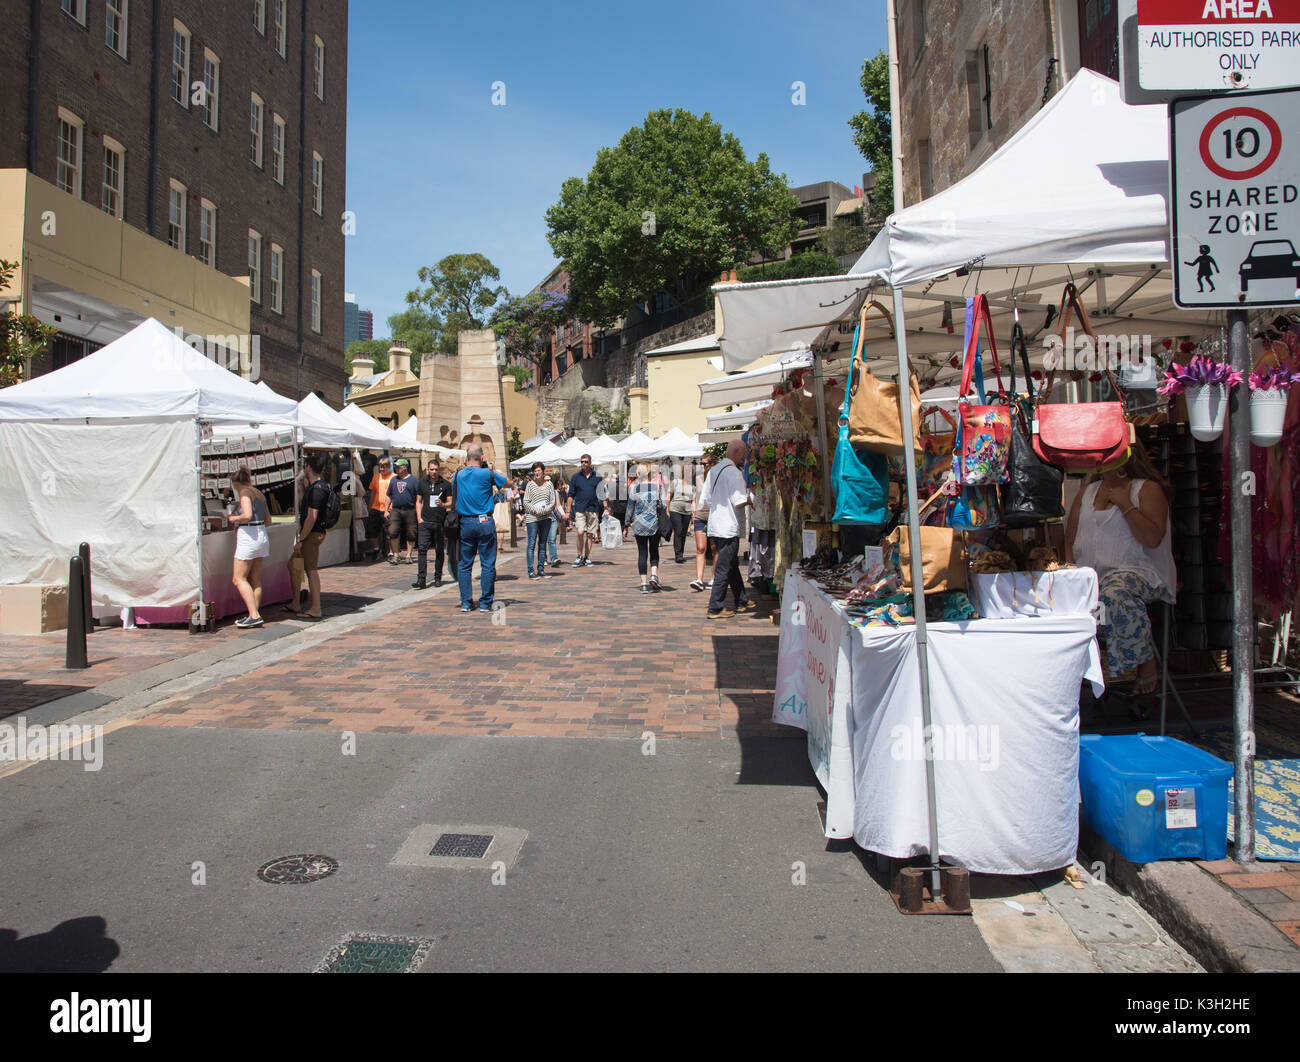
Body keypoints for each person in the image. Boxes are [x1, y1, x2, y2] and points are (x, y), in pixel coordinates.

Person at [1065, 442, 1176, 695]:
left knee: (1114, 595)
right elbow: (1069, 539)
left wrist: (1126, 505)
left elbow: (1152, 538)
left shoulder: (1147, 490)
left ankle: (1145, 662)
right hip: (1090, 575)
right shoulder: (1088, 492)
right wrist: (1070, 574)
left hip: (1137, 572)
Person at [698, 440, 752, 619]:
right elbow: (739, 501)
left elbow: (705, 499)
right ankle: (715, 607)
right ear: (736, 452)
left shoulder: (713, 471)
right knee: (723, 566)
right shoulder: (734, 473)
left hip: (715, 524)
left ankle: (741, 599)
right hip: (727, 525)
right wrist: (751, 498)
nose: (745, 457)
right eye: (743, 453)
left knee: (731, 564)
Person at [453, 444, 507, 612]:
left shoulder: (457, 475)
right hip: (484, 522)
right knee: (487, 563)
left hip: (465, 522)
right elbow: (509, 484)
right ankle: (485, 602)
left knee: (464, 564)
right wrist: (493, 471)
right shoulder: (487, 473)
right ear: (481, 458)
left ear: (467, 457)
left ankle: (466, 602)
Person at [289, 453, 331, 619]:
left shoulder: (317, 489)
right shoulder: (317, 487)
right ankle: (296, 601)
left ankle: (316, 608)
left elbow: (311, 517)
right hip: (312, 534)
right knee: (294, 564)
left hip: (312, 535)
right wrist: (299, 484)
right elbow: (302, 503)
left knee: (311, 570)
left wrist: (301, 539)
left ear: (308, 467)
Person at [228, 466, 270, 628]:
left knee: (238, 579)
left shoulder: (245, 493)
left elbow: (247, 515)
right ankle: (255, 613)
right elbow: (268, 520)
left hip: (249, 536)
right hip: (261, 535)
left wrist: (233, 518)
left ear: (236, 483)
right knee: (255, 579)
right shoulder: (259, 493)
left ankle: (254, 614)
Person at [412, 457, 453, 589]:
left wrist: (443, 504)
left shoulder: (445, 484)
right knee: (422, 550)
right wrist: (419, 518)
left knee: (439, 551)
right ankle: (421, 579)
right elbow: (418, 501)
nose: (434, 472)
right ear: (428, 470)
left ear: (438, 470)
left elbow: (451, 502)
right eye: (431, 469)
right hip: (425, 521)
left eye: (436, 469)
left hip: (439, 522)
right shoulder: (422, 483)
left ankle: (437, 577)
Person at [624, 462, 664, 594]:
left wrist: (626, 524)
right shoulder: (657, 487)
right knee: (654, 550)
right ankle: (653, 574)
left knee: (642, 552)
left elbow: (630, 508)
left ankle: (643, 583)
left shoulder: (634, 488)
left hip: (639, 523)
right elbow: (663, 505)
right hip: (654, 522)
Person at [567, 454, 608, 567]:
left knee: (590, 534)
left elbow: (602, 493)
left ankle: (586, 557)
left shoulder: (597, 477)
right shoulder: (575, 477)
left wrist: (605, 508)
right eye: (582, 462)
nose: (583, 464)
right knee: (580, 532)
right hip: (580, 509)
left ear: (590, 463)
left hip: (593, 509)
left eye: (585, 462)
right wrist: (568, 511)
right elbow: (570, 495)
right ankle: (579, 556)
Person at [522, 461, 557, 579]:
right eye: (535, 471)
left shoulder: (549, 485)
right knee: (531, 544)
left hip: (546, 517)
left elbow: (553, 501)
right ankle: (531, 570)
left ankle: (541, 569)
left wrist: (546, 510)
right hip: (533, 518)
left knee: (542, 544)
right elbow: (526, 502)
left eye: (538, 471)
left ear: (543, 472)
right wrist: (536, 510)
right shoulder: (530, 485)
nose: (537, 473)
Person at [689, 453, 716, 592]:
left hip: (714, 515)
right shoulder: (698, 477)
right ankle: (699, 579)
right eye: (701, 464)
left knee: (714, 548)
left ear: (712, 464)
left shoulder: (716, 478)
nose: (702, 466)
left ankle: (713, 578)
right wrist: (693, 511)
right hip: (700, 515)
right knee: (700, 548)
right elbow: (695, 495)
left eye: (704, 464)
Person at [386, 457, 420, 564]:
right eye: (395, 466)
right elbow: (389, 495)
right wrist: (386, 509)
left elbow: (419, 498)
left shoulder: (414, 480)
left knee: (411, 532)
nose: (396, 468)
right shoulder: (393, 480)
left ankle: (408, 555)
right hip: (396, 509)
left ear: (405, 467)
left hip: (410, 509)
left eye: (398, 466)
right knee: (393, 531)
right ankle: (396, 554)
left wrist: (418, 513)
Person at [366, 456, 394, 560]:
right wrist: (370, 506)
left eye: (384, 467)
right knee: (371, 531)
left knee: (389, 532)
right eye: (380, 467)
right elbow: (373, 492)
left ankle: (391, 552)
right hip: (375, 507)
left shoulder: (393, 477)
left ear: (389, 467)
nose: (382, 469)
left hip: (389, 509)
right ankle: (376, 548)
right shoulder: (376, 477)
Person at [668, 461, 695, 564]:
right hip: (675, 508)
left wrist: (694, 512)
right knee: (678, 530)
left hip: (687, 509)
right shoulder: (675, 482)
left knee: (683, 532)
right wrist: (667, 509)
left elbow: (693, 500)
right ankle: (678, 555)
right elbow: (669, 496)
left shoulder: (692, 485)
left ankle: (681, 553)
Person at [548, 471, 566, 567]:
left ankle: (554, 559)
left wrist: (563, 514)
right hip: (542, 519)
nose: (548, 482)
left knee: (552, 539)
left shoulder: (555, 492)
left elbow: (558, 505)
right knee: (542, 541)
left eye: (549, 480)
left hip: (553, 518)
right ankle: (542, 559)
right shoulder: (539, 491)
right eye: (546, 480)